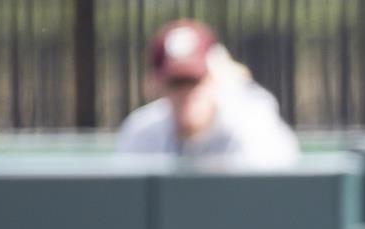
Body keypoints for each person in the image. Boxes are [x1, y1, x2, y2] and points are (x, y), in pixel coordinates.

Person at [115, 19, 299, 168]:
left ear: (216, 79)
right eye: (176, 83)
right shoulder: (142, 132)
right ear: (155, 86)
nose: (187, 93)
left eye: (195, 81)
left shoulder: (248, 125)